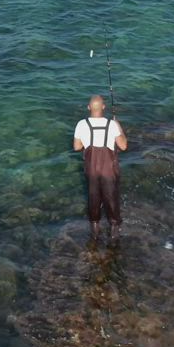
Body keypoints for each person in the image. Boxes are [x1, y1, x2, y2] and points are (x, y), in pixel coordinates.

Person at [73, 94, 127, 242]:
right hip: (108, 170)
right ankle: (114, 233)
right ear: (103, 107)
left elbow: (77, 147)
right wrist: (119, 128)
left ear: (89, 107)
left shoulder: (81, 124)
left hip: (91, 169)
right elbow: (123, 146)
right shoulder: (112, 125)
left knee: (93, 198)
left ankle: (95, 233)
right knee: (111, 199)